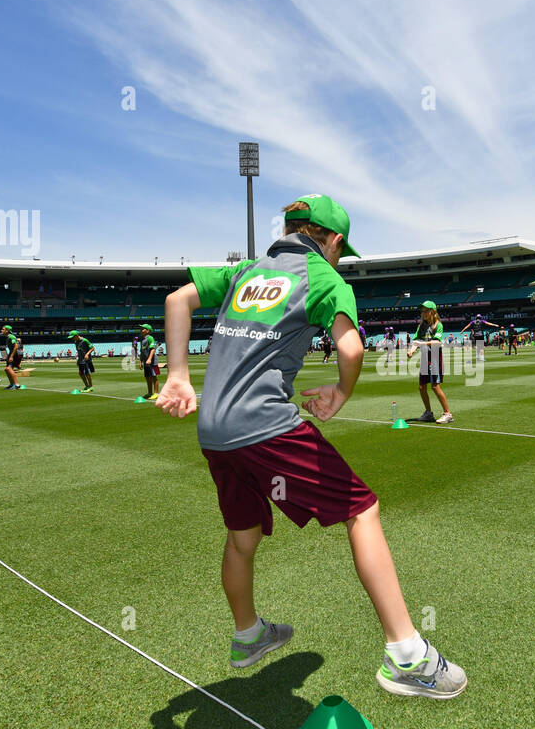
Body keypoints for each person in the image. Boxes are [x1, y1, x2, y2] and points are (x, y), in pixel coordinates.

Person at [155, 193, 466, 698]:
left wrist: (178, 376)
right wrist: (341, 392)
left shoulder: (246, 270)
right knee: (362, 510)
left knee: (243, 536)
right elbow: (351, 347)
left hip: (214, 431)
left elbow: (176, 300)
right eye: (343, 249)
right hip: (264, 426)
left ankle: (248, 636)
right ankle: (406, 654)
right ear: (334, 240)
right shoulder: (322, 276)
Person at [407, 301, 453, 423]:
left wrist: (422, 343)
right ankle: (428, 413)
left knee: (435, 386)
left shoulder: (438, 325)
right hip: (424, 358)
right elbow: (416, 341)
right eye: (422, 311)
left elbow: (438, 342)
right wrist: (411, 351)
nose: (423, 313)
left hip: (435, 358)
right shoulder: (421, 326)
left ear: (432, 311)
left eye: (426, 311)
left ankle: (448, 414)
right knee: (422, 387)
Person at [139, 323, 161, 399]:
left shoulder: (150, 338)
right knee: (147, 377)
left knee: (154, 377)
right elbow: (142, 352)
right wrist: (140, 362)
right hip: (146, 362)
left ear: (148, 331)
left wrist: (149, 359)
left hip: (153, 362)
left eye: (143, 328)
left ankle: (156, 393)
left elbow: (153, 349)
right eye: (141, 328)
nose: (141, 330)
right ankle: (149, 393)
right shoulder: (142, 340)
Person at [1, 324, 24, 389]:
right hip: (14, 353)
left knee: (8, 369)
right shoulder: (9, 337)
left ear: (7, 330)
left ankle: (16, 384)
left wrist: (11, 356)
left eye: (3, 329)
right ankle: (12, 384)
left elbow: (16, 346)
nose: (1, 330)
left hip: (16, 354)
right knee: (7, 369)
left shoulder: (11, 337)